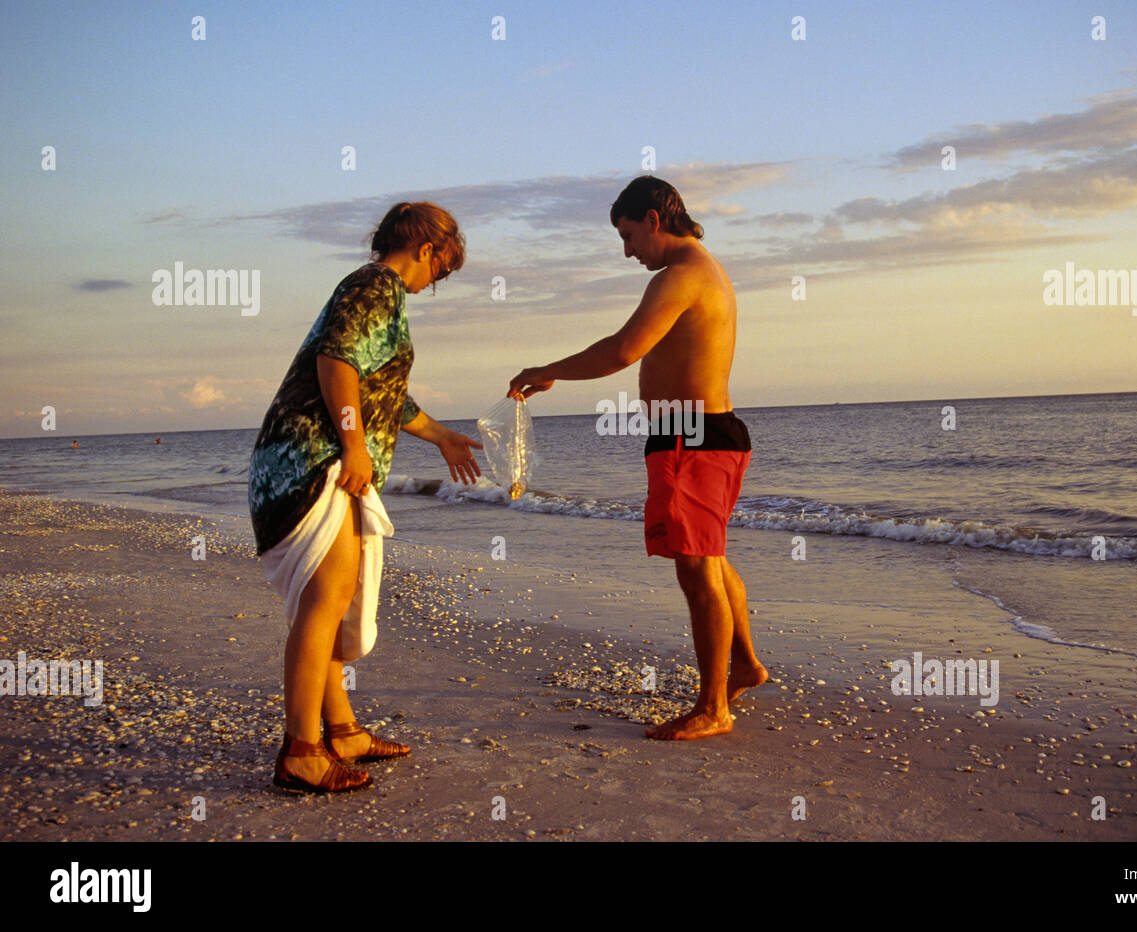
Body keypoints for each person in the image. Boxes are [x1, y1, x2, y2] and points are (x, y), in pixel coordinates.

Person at [509, 175, 766, 740]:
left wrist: (545, 369)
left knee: (698, 570)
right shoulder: (699, 271)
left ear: (654, 219)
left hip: (694, 439)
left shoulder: (683, 275)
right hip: (695, 435)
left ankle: (713, 708)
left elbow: (623, 350)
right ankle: (743, 664)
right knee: (711, 559)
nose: (627, 251)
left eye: (628, 236)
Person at [248, 201, 482, 792]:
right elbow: (337, 363)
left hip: (311, 459)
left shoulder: (380, 295)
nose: (438, 283)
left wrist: (442, 437)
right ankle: (301, 749)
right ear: (427, 248)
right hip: (313, 458)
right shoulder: (374, 285)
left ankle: (342, 729)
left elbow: (386, 395)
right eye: (444, 270)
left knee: (331, 597)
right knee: (327, 597)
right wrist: (353, 444)